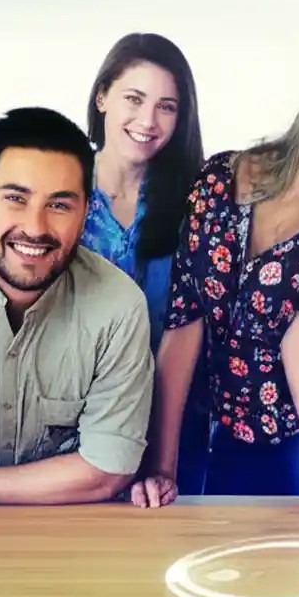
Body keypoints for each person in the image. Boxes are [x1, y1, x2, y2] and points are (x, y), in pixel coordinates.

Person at [129, 65, 299, 508]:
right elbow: (186, 317)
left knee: (274, 550)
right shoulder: (219, 178)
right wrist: (163, 464)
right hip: (238, 413)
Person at [0, 107, 152, 510]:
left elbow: (108, 468)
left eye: (59, 205)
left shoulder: (118, 305)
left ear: (85, 212)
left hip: (67, 528)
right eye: (16, 198)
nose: (35, 228)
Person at [81, 32, 214, 496]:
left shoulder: (198, 199)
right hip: (67, 427)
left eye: (167, 107)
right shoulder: (59, 187)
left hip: (173, 425)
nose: (148, 120)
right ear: (102, 97)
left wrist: (163, 463)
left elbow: (185, 330)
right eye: (134, 99)